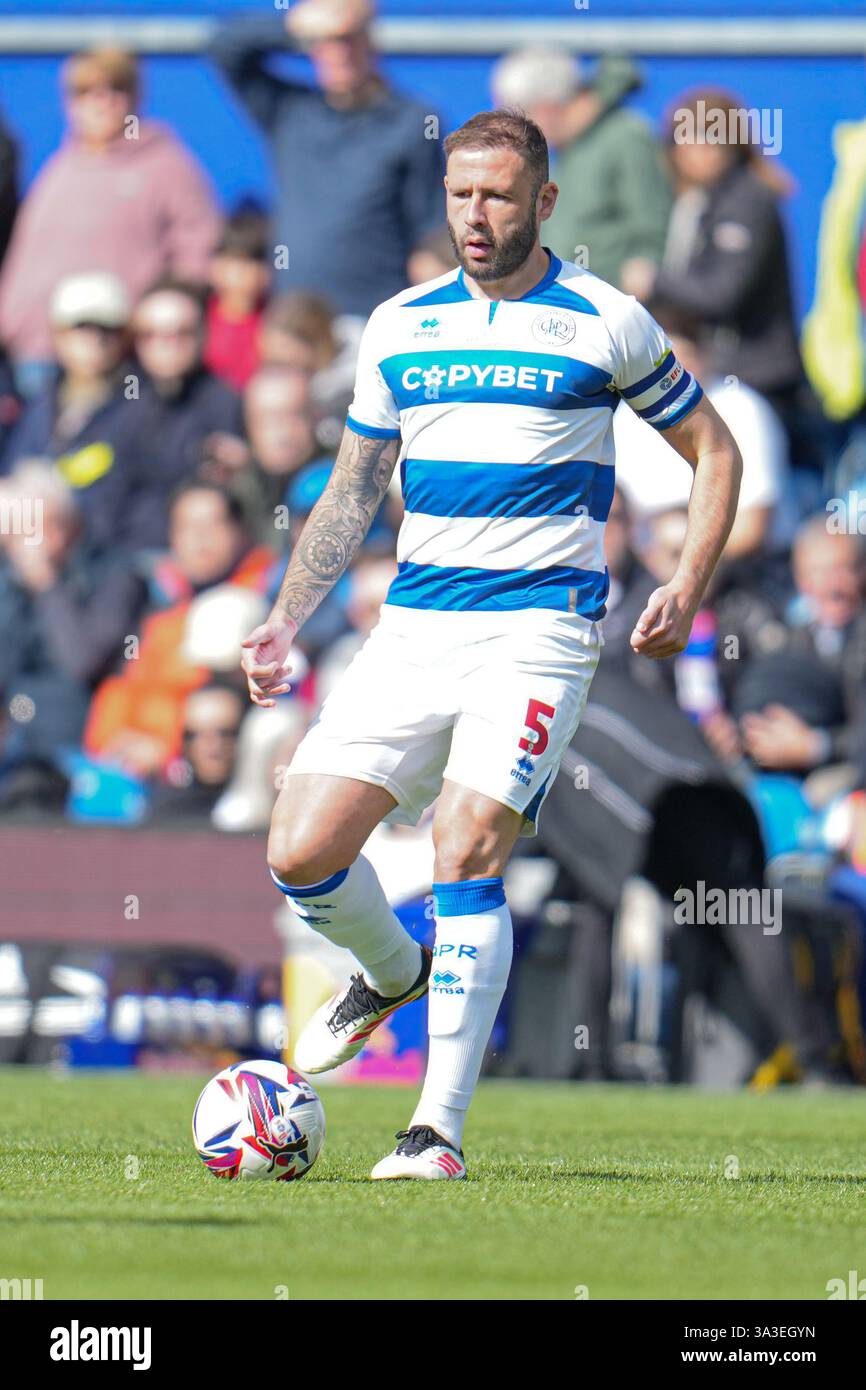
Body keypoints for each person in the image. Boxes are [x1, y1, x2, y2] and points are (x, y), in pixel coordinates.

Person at [240, 109, 742, 1179]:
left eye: (498, 195)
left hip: (537, 629)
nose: (476, 214)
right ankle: (390, 968)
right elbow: (351, 491)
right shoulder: (400, 325)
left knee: (463, 847)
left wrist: (686, 583)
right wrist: (285, 615)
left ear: (543, 202)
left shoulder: (603, 323)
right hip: (414, 626)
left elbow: (715, 449)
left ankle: (435, 1130)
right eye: (460, 193)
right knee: (298, 849)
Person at [0, 47, 219, 392]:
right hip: (36, 354)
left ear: (134, 97)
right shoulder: (61, 167)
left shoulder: (166, 165)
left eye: (114, 88)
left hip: (114, 355)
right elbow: (27, 259)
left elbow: (199, 251)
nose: (100, 101)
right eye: (85, 91)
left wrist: (152, 322)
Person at [208, 0, 444, 318]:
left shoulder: (412, 121)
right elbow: (225, 49)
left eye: (349, 38)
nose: (338, 53)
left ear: (370, 42)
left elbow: (428, 228)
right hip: (294, 318)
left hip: (370, 316)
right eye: (326, 41)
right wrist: (294, 25)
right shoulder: (290, 110)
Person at [0, 461, 144, 790]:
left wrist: (47, 585)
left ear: (61, 525)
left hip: (77, 746)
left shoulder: (114, 574)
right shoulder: (10, 581)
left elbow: (83, 661)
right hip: (15, 743)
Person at [492, 49, 671, 291]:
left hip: (609, 304)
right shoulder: (559, 151)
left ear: (546, 107)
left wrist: (640, 280)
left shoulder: (626, 136)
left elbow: (652, 229)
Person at [204, 207, 271, 392]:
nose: (239, 274)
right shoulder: (197, 320)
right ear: (213, 268)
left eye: (249, 263)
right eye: (232, 261)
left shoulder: (273, 323)